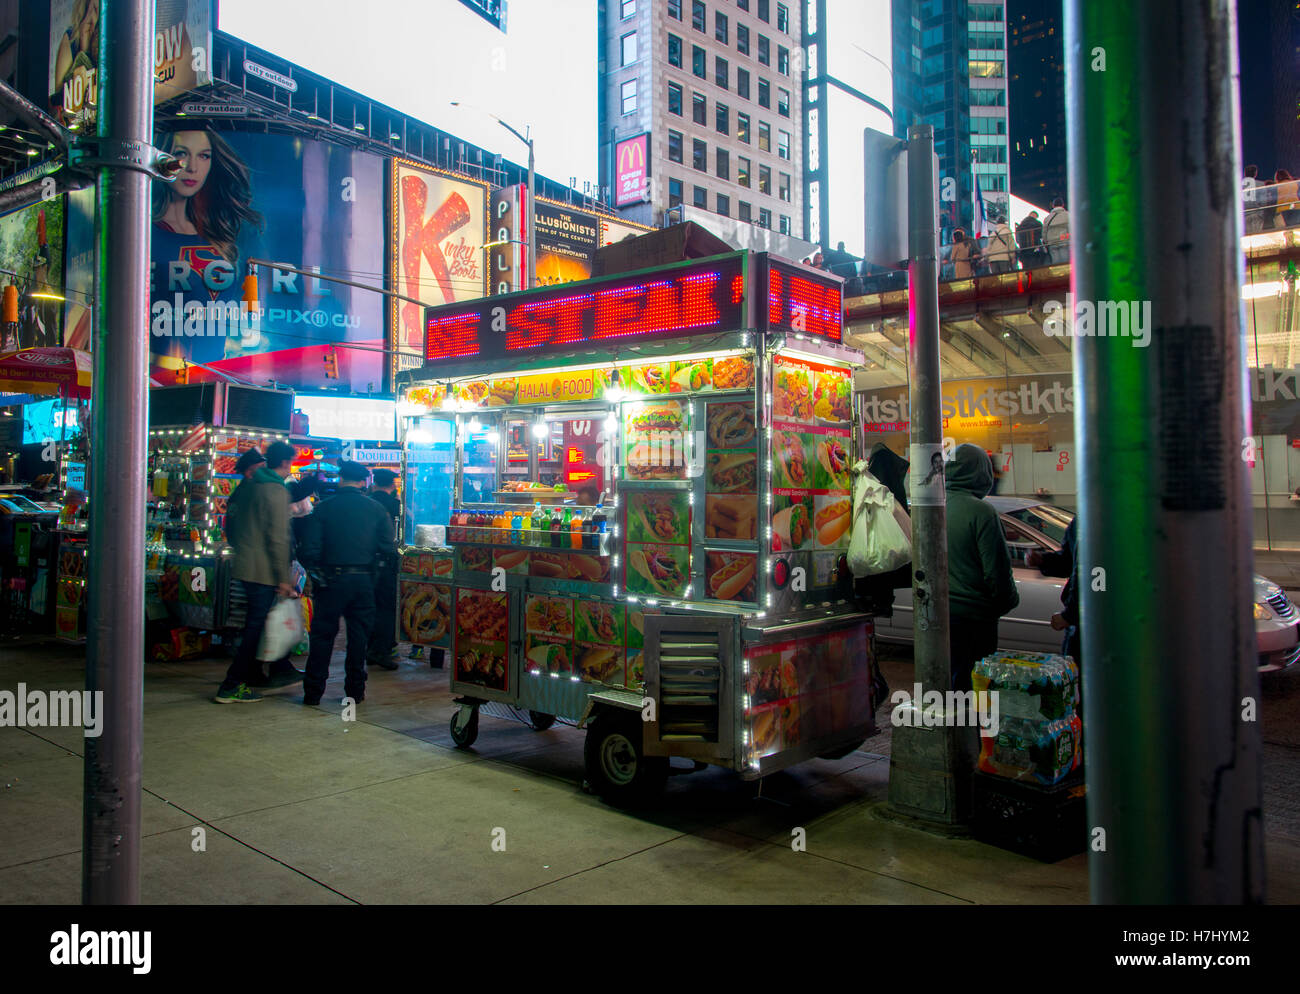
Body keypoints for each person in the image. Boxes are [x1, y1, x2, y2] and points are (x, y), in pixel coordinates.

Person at [151, 127, 264, 365]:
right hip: (151, 376)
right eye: (181, 153)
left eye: (204, 156)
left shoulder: (226, 235)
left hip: (214, 375)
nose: (192, 167)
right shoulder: (142, 233)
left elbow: (249, 307)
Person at [298, 461, 397, 706]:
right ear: (364, 482)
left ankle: (313, 692)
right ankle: (354, 691)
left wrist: (318, 574)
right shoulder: (375, 510)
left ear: (341, 479)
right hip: (363, 581)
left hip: (331, 580)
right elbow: (388, 548)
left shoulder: (323, 509)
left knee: (322, 637)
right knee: (358, 638)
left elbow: (308, 549)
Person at [215, 441, 299, 703]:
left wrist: (243, 549)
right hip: (263, 570)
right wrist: (283, 579)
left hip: (245, 564)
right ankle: (231, 684)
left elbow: (232, 522)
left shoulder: (248, 486)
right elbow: (277, 538)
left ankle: (257, 673)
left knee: (255, 625)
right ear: (285, 462)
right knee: (254, 627)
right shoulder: (275, 490)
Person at [945, 444, 1019, 693]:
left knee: (950, 687)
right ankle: (971, 733)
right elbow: (997, 571)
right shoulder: (982, 512)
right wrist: (1005, 603)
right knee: (976, 693)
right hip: (974, 620)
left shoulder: (933, 507)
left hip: (940, 617)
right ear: (982, 473)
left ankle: (953, 731)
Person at [1026, 517, 1079, 662]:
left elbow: (1097, 576)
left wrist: (1071, 614)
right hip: (1079, 625)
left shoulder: (1104, 521)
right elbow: (1069, 561)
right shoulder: (1080, 522)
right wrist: (1043, 560)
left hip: (1098, 623)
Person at [366, 467, 402, 670]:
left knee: (369, 608)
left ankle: (369, 649)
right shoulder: (394, 505)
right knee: (387, 609)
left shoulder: (365, 503)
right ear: (391, 484)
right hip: (387, 564)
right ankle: (382, 650)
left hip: (366, 563)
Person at [1042, 198, 1070, 264]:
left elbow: (1044, 232)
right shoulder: (1068, 215)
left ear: (1053, 206)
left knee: (1056, 263)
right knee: (1065, 262)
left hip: (1052, 242)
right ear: (1063, 205)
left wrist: (1046, 241)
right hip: (1064, 240)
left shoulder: (1047, 218)